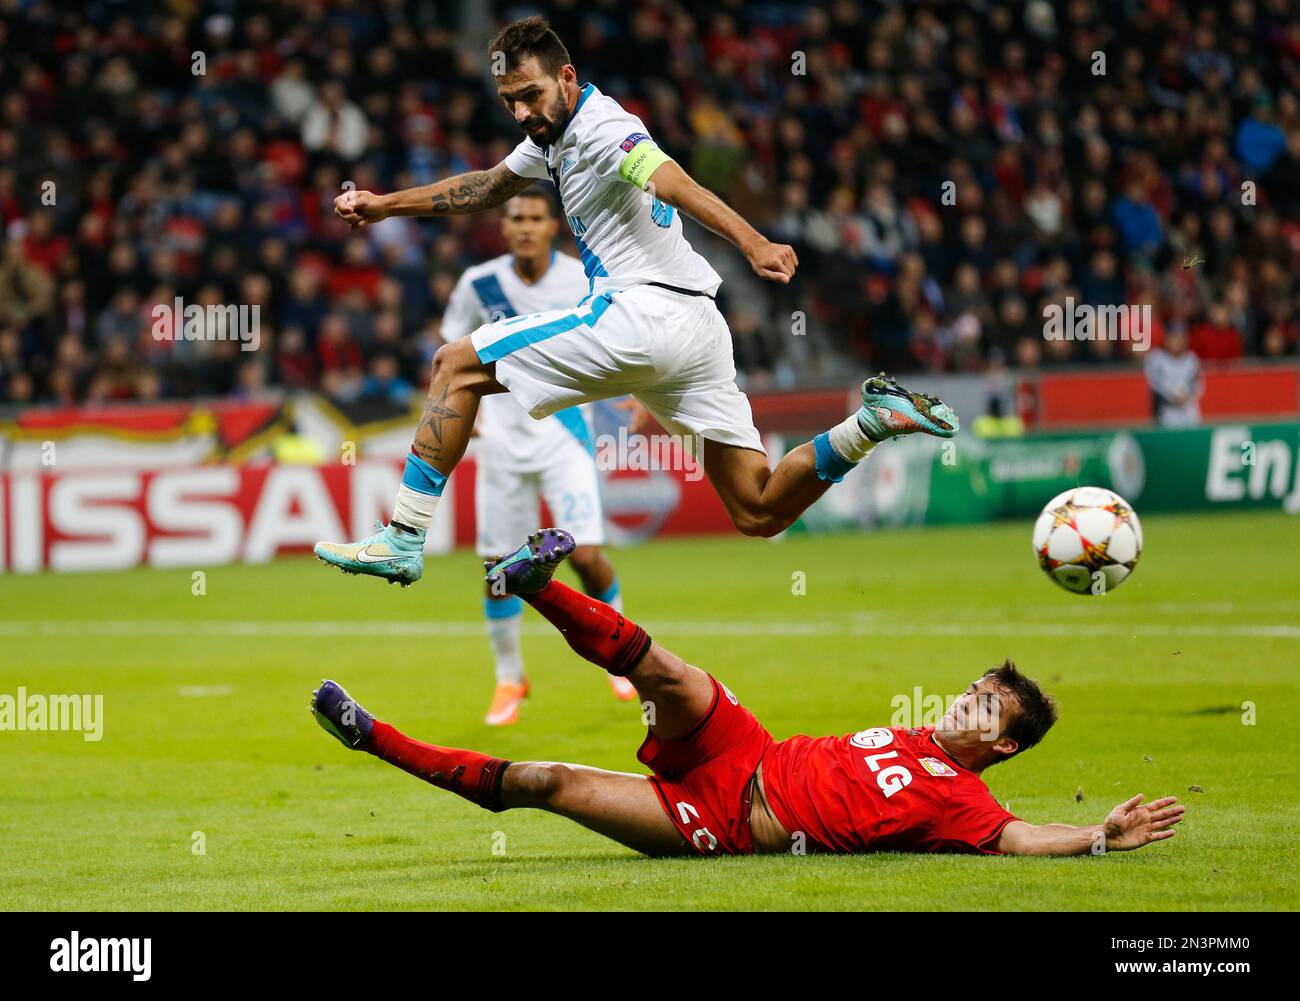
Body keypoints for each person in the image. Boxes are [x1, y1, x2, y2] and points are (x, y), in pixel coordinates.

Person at [313, 16, 958, 588]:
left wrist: (753, 240)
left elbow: (670, 178)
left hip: (640, 314)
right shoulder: (551, 138)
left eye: (532, 95)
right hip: (698, 329)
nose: (523, 113)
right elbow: (485, 186)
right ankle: (870, 423)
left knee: (456, 365)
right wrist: (384, 204)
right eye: (510, 101)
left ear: (567, 77)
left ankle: (402, 537)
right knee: (758, 510)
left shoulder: (601, 126)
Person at [311, 528, 1185, 859]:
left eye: (986, 705)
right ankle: (533, 582)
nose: (964, 699)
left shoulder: (964, 801)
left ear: (1001, 745)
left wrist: (1098, 839)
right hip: (744, 750)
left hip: (728, 825)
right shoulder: (914, 737)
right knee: (670, 673)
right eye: (973, 686)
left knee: (547, 783)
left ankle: (372, 736)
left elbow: (1023, 835)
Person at [441, 187, 636, 722]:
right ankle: (510, 680)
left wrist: (631, 390)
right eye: (515, 218)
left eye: (534, 218)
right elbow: (448, 355)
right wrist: (458, 411)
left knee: (588, 556)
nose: (524, 226)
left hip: (565, 435)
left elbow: (618, 340)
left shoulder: (582, 278)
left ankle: (621, 661)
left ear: (554, 225)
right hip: (501, 442)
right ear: (503, 228)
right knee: (500, 572)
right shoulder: (477, 284)